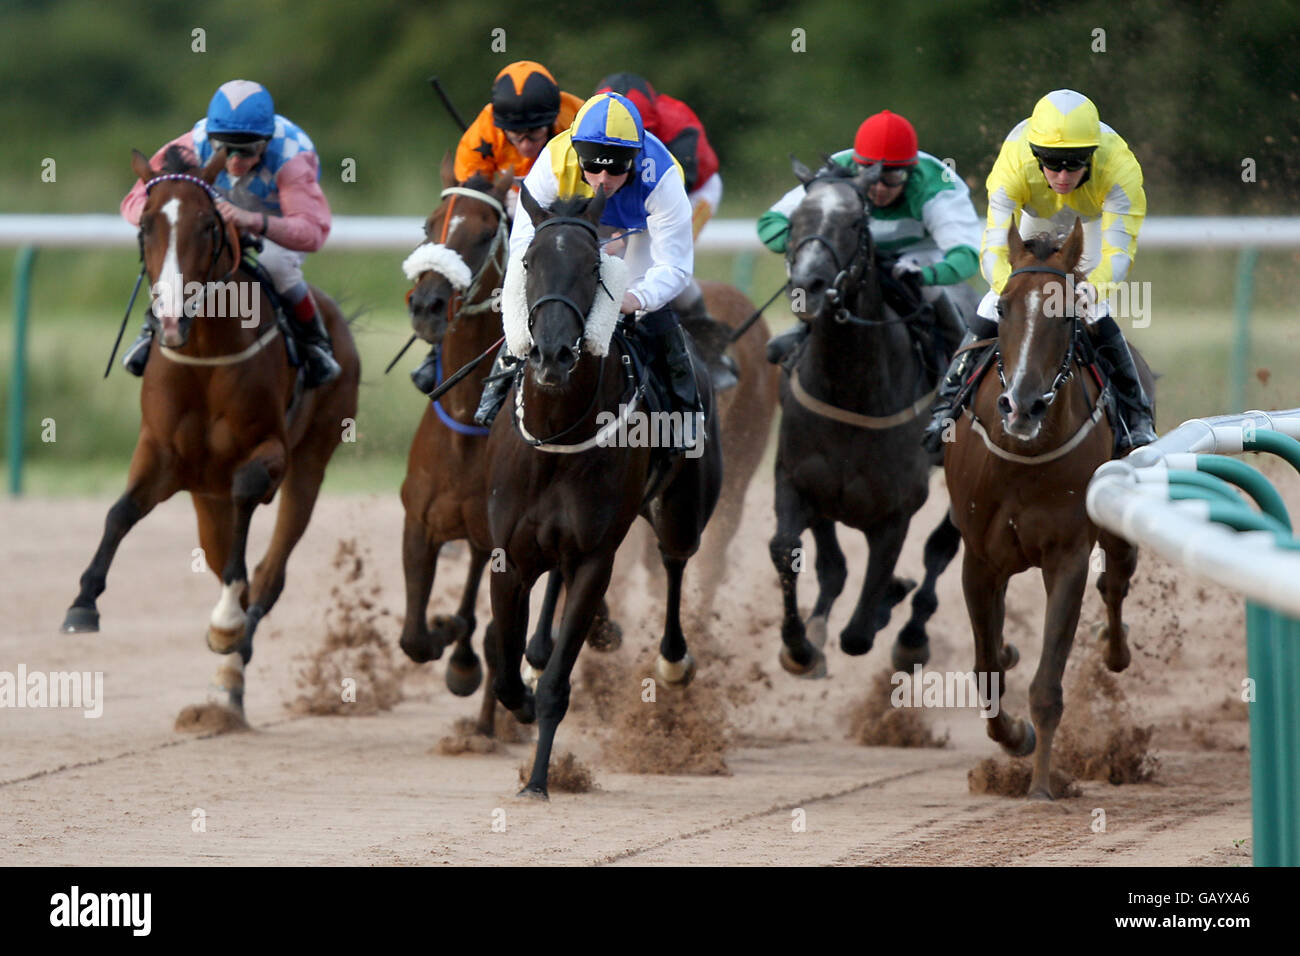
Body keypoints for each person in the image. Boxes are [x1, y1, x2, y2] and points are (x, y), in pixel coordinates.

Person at [921, 89, 1155, 454]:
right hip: (1035, 215)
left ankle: (1137, 415)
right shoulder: (1013, 164)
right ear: (1034, 156)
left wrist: (1089, 291)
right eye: (1051, 162)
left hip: (1090, 223)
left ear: (1093, 156)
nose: (1062, 175)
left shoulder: (1121, 170)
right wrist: (1008, 289)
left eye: (1075, 163)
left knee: (1094, 310)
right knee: (991, 303)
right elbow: (994, 250)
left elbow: (1118, 255)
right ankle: (946, 404)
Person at [474, 91, 708, 445]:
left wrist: (637, 297)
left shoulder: (661, 175)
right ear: (576, 154)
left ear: (634, 158)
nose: (602, 179)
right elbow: (524, 245)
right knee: (534, 302)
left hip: (639, 232)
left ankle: (685, 418)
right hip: (576, 231)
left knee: (652, 316)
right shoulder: (554, 159)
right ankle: (495, 396)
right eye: (592, 167)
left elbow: (675, 267)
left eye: (616, 168)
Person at [119, 79, 340, 387]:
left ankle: (315, 342)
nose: (235, 160)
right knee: (177, 255)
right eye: (224, 149)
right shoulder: (189, 146)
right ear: (211, 138)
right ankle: (151, 329)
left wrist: (252, 221)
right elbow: (133, 201)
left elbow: (312, 233)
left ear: (266, 142)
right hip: (211, 215)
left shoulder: (291, 158)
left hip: (275, 219)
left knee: (277, 266)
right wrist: (164, 217)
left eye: (247, 150)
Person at [757, 109, 981, 369]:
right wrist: (813, 245)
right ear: (857, 165)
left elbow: (965, 257)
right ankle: (803, 328)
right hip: (855, 250)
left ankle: (960, 361)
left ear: (911, 171)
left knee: (924, 288)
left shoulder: (936, 186)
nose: (879, 188)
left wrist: (925, 275)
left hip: (920, 254)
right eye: (870, 175)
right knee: (820, 274)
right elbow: (769, 223)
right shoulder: (836, 172)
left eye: (892, 177)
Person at [593, 72, 726, 337]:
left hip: (694, 191)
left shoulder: (678, 122)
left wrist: (621, 231)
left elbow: (672, 194)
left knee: (660, 259)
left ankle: (707, 338)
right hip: (629, 190)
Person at [453, 60, 584, 215]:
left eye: (534, 132)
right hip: (515, 197)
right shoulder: (484, 131)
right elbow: (469, 197)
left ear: (554, 120)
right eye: (516, 134)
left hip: (572, 196)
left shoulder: (580, 120)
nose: (525, 146)